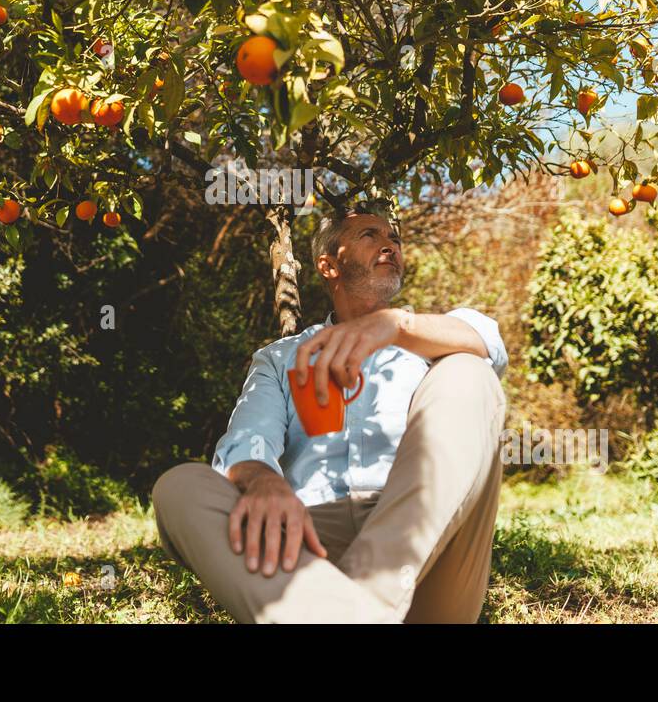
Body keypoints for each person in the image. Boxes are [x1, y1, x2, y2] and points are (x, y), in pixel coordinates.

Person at [152, 202, 508, 622]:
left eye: (394, 238)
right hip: (308, 549)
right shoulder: (280, 358)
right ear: (327, 265)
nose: (390, 245)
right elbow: (248, 439)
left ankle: (368, 602)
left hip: (425, 545)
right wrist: (262, 478)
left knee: (469, 371)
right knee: (180, 487)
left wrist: (397, 327)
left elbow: (486, 341)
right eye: (369, 235)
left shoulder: (432, 337)